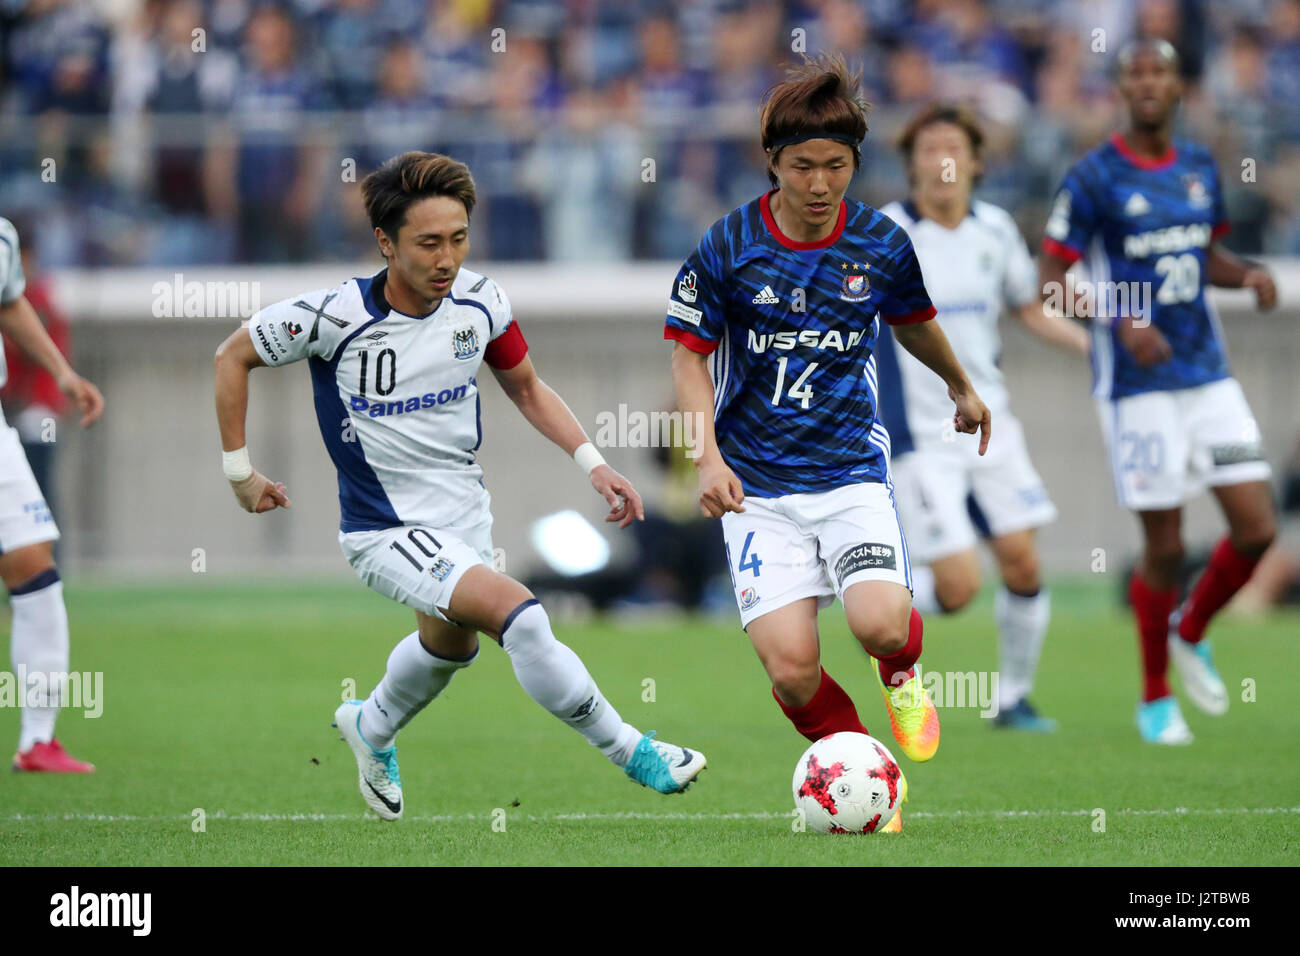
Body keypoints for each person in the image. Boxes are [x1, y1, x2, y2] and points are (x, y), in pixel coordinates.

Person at [213, 152, 706, 821]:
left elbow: (527, 387)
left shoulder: (481, 301)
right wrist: (240, 472)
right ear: (386, 242)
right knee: (522, 617)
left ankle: (371, 726)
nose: (446, 258)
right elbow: (232, 355)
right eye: (427, 243)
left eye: (458, 238)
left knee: (451, 648)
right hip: (383, 530)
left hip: (463, 518)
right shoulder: (333, 317)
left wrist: (593, 462)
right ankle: (633, 751)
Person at [665, 54, 990, 831]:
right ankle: (869, 778)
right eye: (802, 166)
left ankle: (902, 674)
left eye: (836, 166)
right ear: (771, 161)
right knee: (792, 668)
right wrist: (705, 456)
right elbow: (688, 352)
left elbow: (914, 321)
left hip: (848, 474)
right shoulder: (728, 245)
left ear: (855, 163)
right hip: (756, 488)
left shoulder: (879, 242)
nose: (819, 184)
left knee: (880, 624)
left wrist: (961, 385)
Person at [1039, 40, 1278, 745]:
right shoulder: (1093, 177)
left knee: (1258, 526)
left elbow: (1199, 258)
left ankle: (1192, 627)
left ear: (1178, 87)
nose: (1147, 82)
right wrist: (1120, 322)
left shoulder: (1201, 165)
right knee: (1166, 546)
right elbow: (1050, 279)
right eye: (1134, 72)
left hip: (1207, 372)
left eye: (1160, 72)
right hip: (1138, 385)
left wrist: (1248, 277)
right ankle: (1153, 697)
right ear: (1121, 88)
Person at [874, 103, 1090, 732]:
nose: (941, 158)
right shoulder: (884, 234)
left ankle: (1014, 699)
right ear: (911, 163)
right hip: (919, 434)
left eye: (954, 146)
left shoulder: (995, 231)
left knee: (1023, 563)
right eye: (927, 147)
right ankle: (886, 632)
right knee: (960, 586)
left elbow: (1028, 306)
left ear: (974, 161)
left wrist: (1091, 343)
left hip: (992, 423)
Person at [0, 216, 105, 772]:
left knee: (35, 560)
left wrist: (62, 374)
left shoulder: (2, 237)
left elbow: (9, 300)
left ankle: (37, 740)